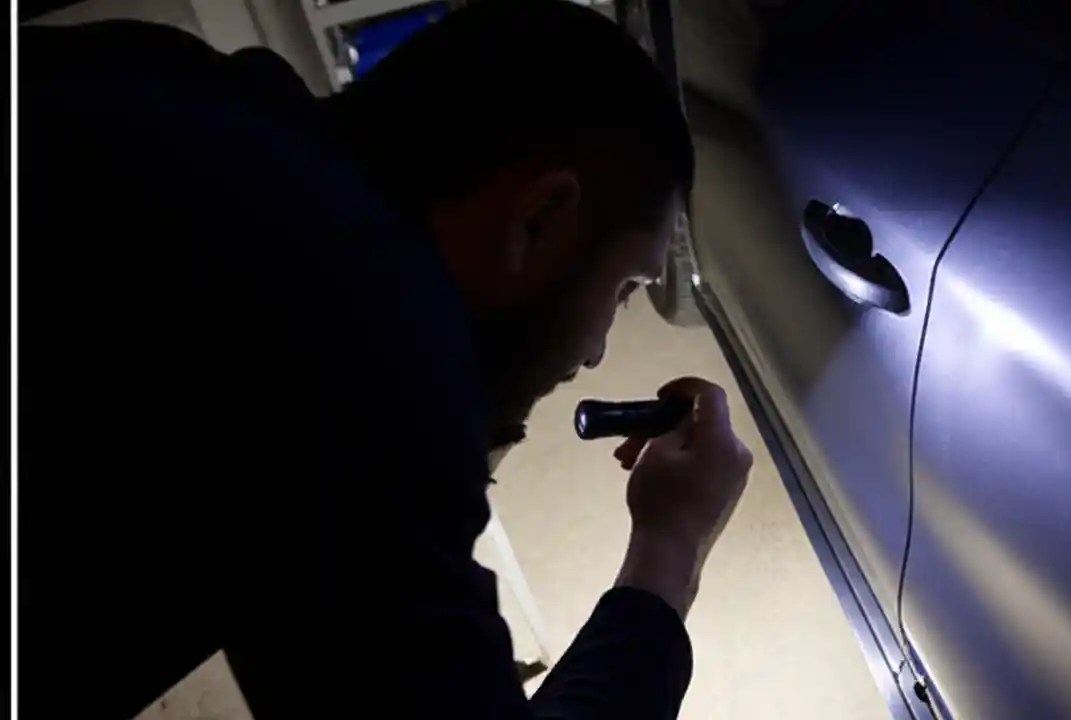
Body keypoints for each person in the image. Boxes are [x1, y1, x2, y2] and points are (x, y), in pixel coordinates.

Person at [18, 1, 753, 718]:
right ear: (541, 217)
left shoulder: (167, 83)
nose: (594, 353)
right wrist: (671, 544)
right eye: (623, 288)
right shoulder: (361, 338)